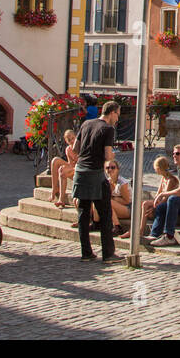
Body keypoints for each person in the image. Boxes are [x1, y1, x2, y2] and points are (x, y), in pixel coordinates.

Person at [72, 101, 122, 262]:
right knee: (105, 213)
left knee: (83, 213)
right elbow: (108, 156)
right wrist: (112, 156)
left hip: (80, 172)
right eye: (118, 114)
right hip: (95, 173)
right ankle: (108, 254)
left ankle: (86, 253)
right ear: (112, 112)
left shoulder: (86, 123)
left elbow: (75, 148)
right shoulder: (108, 129)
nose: (118, 118)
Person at [131, 155, 179, 238]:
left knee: (146, 204)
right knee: (144, 204)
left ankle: (141, 230)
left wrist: (154, 206)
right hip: (161, 201)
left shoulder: (171, 180)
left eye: (155, 168)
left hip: (168, 203)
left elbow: (166, 197)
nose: (155, 170)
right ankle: (139, 229)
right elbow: (158, 193)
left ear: (159, 168)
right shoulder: (163, 179)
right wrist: (154, 203)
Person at [94, 160, 132, 234]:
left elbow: (127, 201)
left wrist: (114, 199)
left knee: (108, 202)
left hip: (129, 208)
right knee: (97, 198)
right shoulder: (107, 182)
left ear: (117, 169)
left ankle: (118, 226)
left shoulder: (123, 183)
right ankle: (96, 223)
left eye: (113, 167)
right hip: (115, 208)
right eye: (107, 168)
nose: (110, 169)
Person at [49, 129, 79, 209]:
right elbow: (70, 164)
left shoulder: (80, 147)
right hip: (73, 168)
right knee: (55, 160)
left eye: (73, 138)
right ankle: (54, 188)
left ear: (76, 137)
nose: (71, 141)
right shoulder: (68, 149)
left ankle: (61, 199)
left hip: (80, 169)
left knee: (62, 171)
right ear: (66, 141)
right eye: (69, 140)